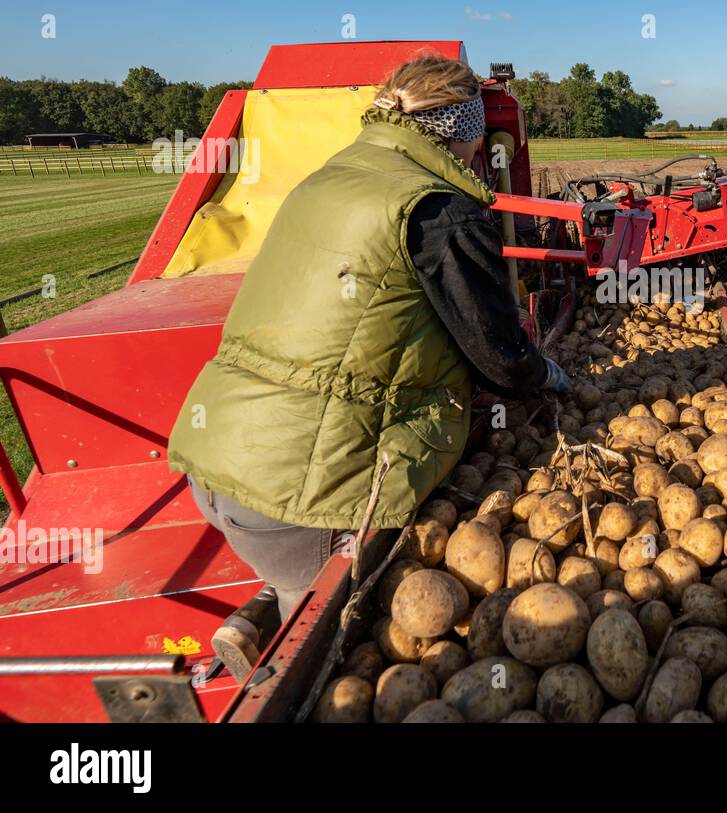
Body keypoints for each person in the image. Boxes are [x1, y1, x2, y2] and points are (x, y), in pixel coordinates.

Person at [168, 54, 569, 678]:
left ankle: (264, 605)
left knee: (291, 566)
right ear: (462, 128)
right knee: (337, 655)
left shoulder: (329, 177)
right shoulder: (439, 209)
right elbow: (499, 359)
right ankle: (281, 642)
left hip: (219, 461)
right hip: (305, 498)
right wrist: (546, 375)